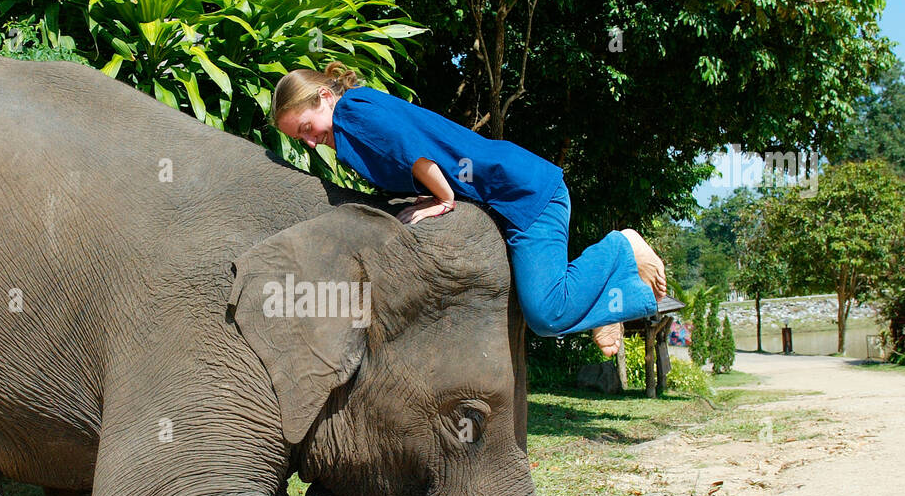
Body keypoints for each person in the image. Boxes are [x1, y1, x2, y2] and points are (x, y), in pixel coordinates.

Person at [270, 61, 667, 356]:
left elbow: (413, 151)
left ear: (324, 97)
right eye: (299, 137)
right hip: (512, 194)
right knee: (548, 309)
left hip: (526, 194)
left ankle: (621, 247)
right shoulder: (358, 110)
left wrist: (442, 200)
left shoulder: (352, 116)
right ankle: (609, 299)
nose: (309, 142)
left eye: (306, 128)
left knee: (547, 315)